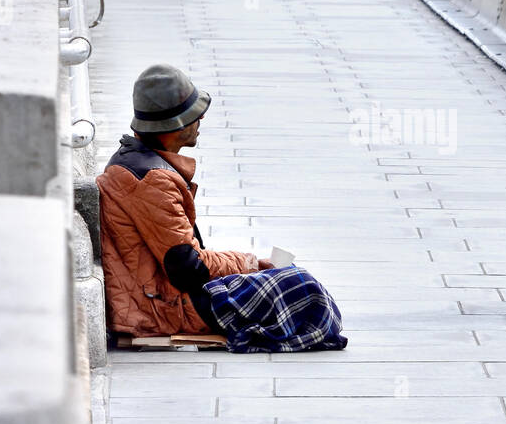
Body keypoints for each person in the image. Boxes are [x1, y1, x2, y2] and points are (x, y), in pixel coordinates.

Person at [97, 65, 345, 352]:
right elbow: (189, 268)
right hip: (164, 308)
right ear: (175, 125)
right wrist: (250, 264)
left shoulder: (135, 164)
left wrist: (248, 266)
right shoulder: (152, 181)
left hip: (161, 295)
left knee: (286, 282)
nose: (200, 119)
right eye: (193, 115)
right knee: (300, 285)